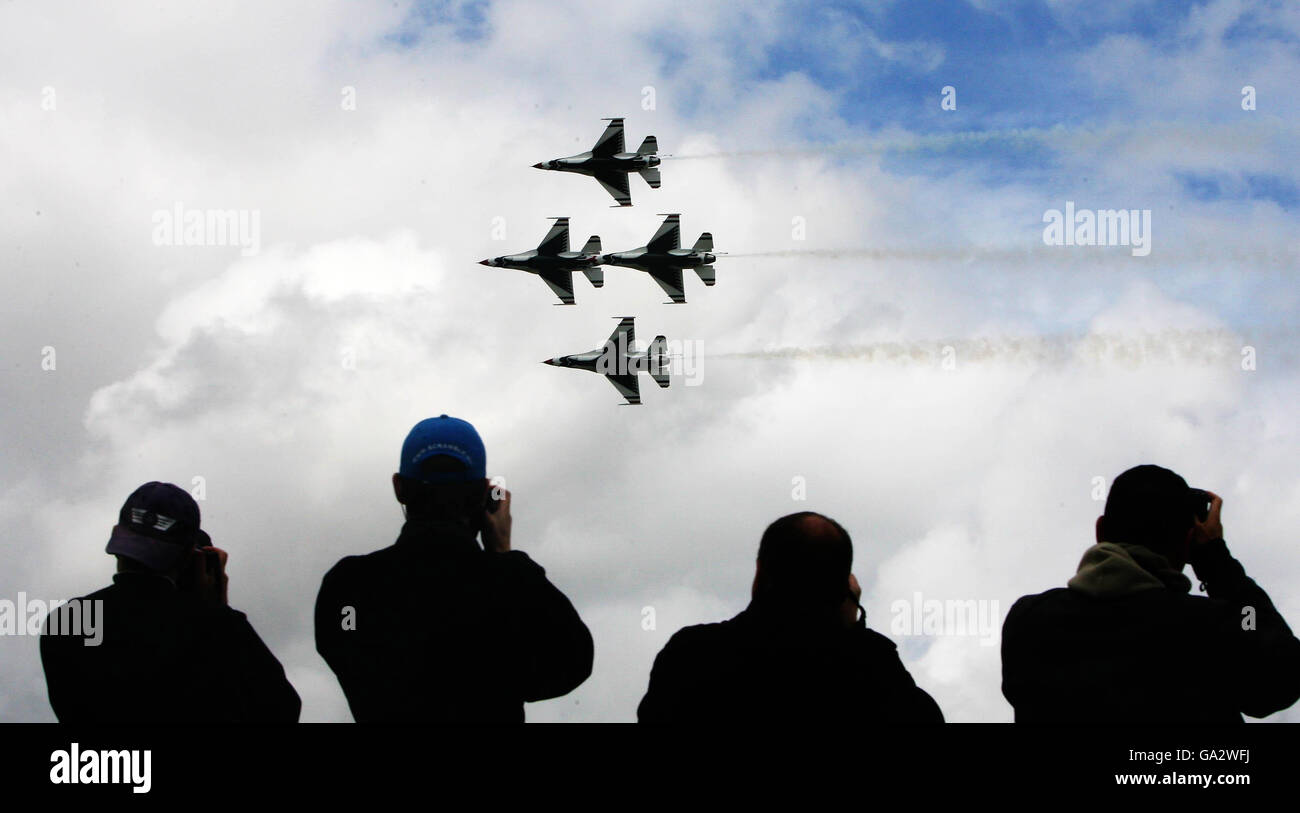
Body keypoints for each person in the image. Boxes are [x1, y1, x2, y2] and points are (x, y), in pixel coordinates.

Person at [315, 415, 593, 722]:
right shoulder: (508, 587)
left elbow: (347, 657)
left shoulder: (349, 586)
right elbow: (571, 663)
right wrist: (504, 556)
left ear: (399, 488)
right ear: (486, 494)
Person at [1002, 464, 1300, 723]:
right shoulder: (1208, 628)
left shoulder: (1028, 622)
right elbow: (1282, 675)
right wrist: (1218, 565)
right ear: (1188, 542)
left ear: (1100, 530)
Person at [638, 511, 943, 722]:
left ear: (760, 574)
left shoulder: (692, 655)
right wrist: (852, 630)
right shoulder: (871, 666)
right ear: (842, 591)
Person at [40, 481, 301, 723]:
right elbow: (281, 710)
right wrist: (220, 611)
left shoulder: (69, 622)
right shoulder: (217, 630)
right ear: (190, 558)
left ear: (116, 536)